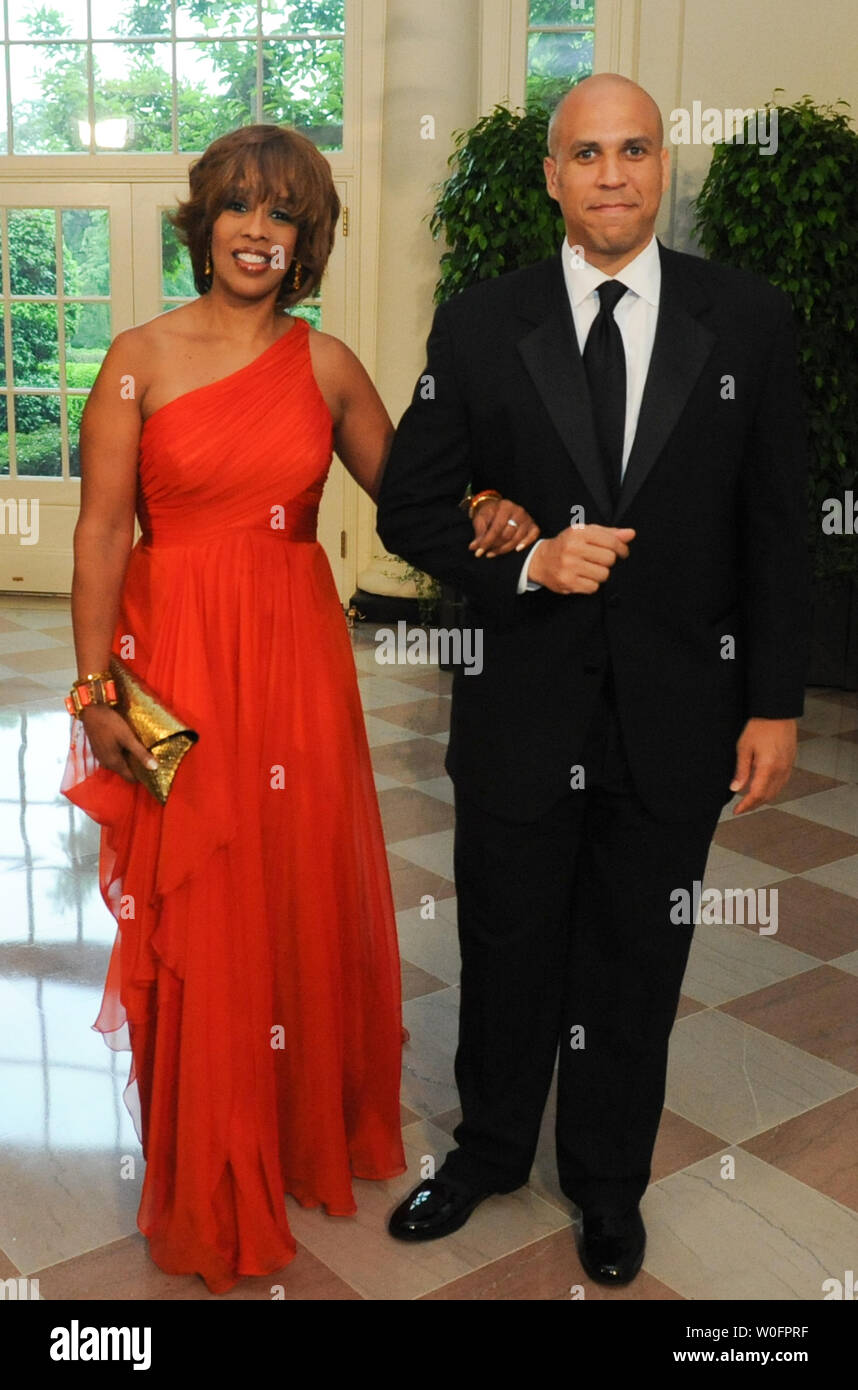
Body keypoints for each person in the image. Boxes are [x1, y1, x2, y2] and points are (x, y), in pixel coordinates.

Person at [60, 122, 538, 1295]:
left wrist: (498, 510)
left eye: (283, 215)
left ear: (306, 239)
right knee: (202, 891)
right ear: (203, 221)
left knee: (292, 881)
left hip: (297, 664)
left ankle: (290, 1116)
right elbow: (100, 533)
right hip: (174, 662)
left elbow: (413, 494)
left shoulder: (327, 368)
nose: (257, 232)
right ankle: (208, 1150)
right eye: (238, 207)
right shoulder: (136, 358)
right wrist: (94, 690)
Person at [377, 74, 810, 1285]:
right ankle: (488, 1153)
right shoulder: (478, 324)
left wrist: (774, 701)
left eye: (635, 150)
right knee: (509, 944)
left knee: (637, 957)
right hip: (522, 708)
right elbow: (413, 501)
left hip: (681, 714)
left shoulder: (751, 321)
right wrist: (523, 560)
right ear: (553, 176)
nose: (612, 173)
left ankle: (608, 1183)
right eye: (586, 153)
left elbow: (780, 529)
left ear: (663, 166)